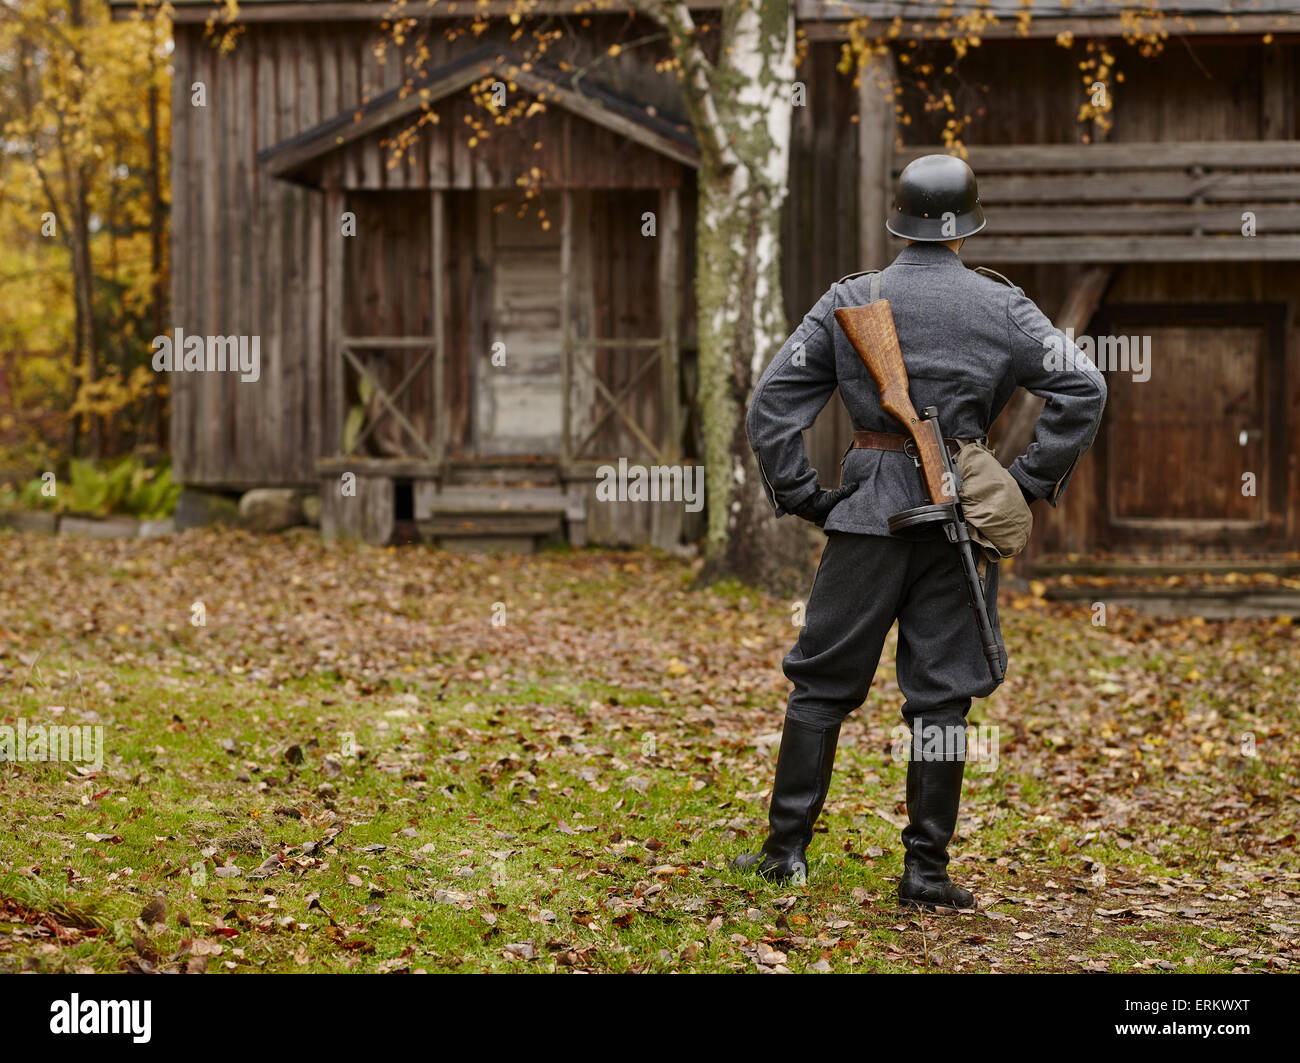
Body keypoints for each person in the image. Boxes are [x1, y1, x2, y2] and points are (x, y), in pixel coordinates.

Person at [734, 154, 1107, 910]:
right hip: (958, 527)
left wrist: (810, 497)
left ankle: (785, 853)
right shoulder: (1004, 307)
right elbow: (1085, 386)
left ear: (898, 220)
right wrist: (1025, 485)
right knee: (941, 701)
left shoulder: (851, 297)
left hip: (867, 517)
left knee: (820, 687)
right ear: (969, 227)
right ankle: (925, 873)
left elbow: (770, 405)